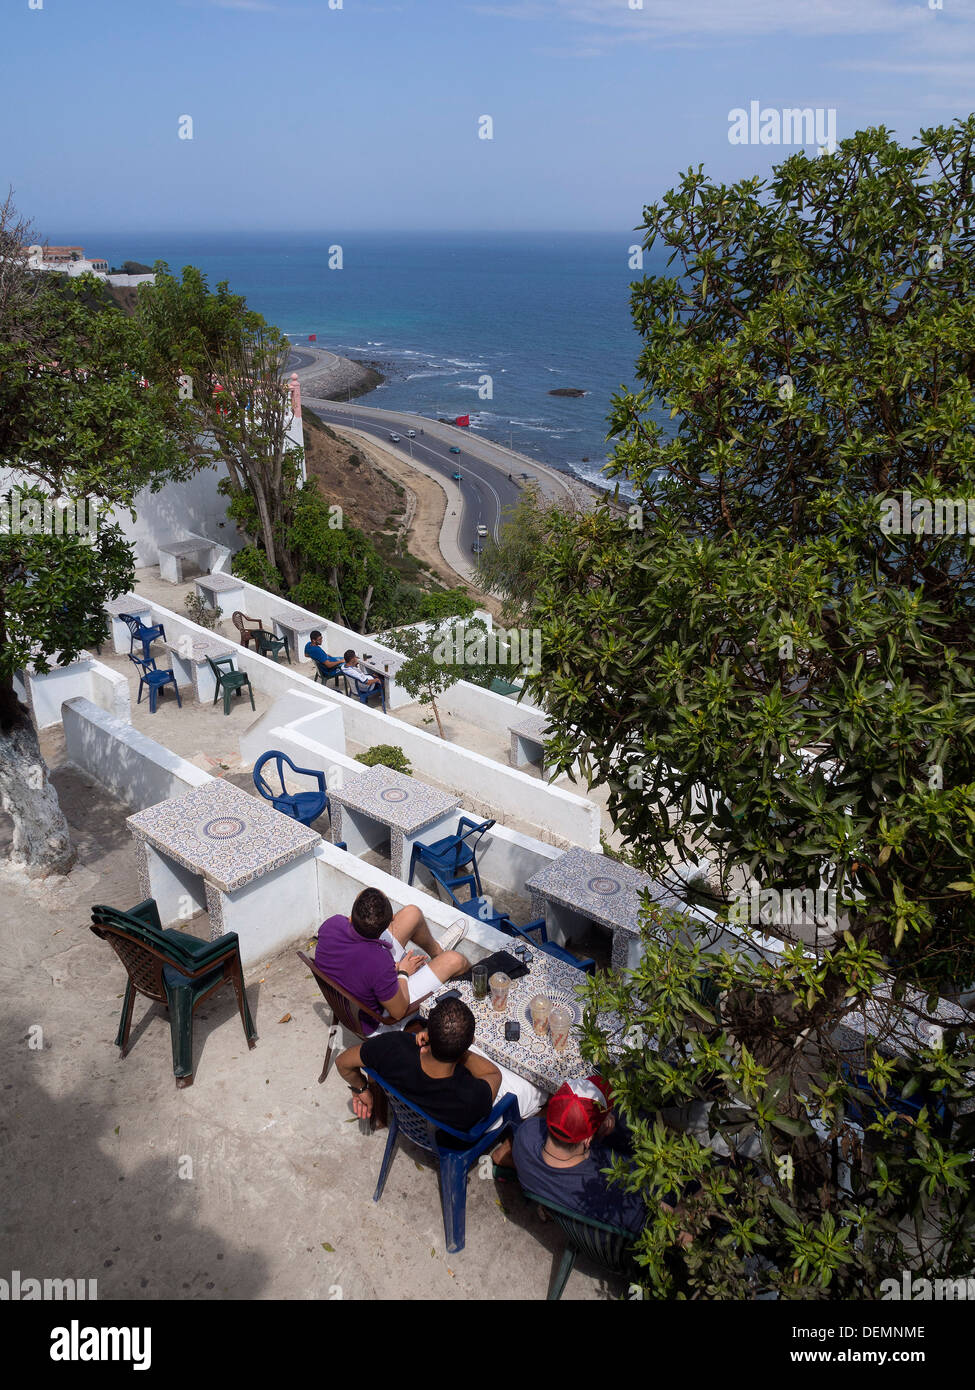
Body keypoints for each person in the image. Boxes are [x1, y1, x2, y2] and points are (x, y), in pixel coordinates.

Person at [513, 1076, 671, 1234]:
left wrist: (598, 1134)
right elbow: (665, 1222)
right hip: (659, 1187)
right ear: (587, 1139)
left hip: (560, 1198)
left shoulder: (526, 1133)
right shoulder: (615, 1193)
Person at [336, 996, 500, 1144]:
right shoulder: (471, 1095)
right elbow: (493, 1074)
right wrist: (460, 1046)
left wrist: (361, 1088)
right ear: (469, 1043)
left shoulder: (392, 1045)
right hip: (448, 1143)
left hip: (410, 1124)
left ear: (428, 1032)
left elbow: (342, 1062)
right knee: (524, 1092)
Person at [315, 887, 469, 1032]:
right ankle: (475, 986)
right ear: (390, 922)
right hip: (378, 1020)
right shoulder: (379, 960)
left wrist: (389, 970)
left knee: (412, 914)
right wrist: (403, 973)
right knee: (455, 960)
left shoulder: (332, 923)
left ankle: (438, 952)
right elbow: (398, 1011)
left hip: (353, 989)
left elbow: (360, 963)